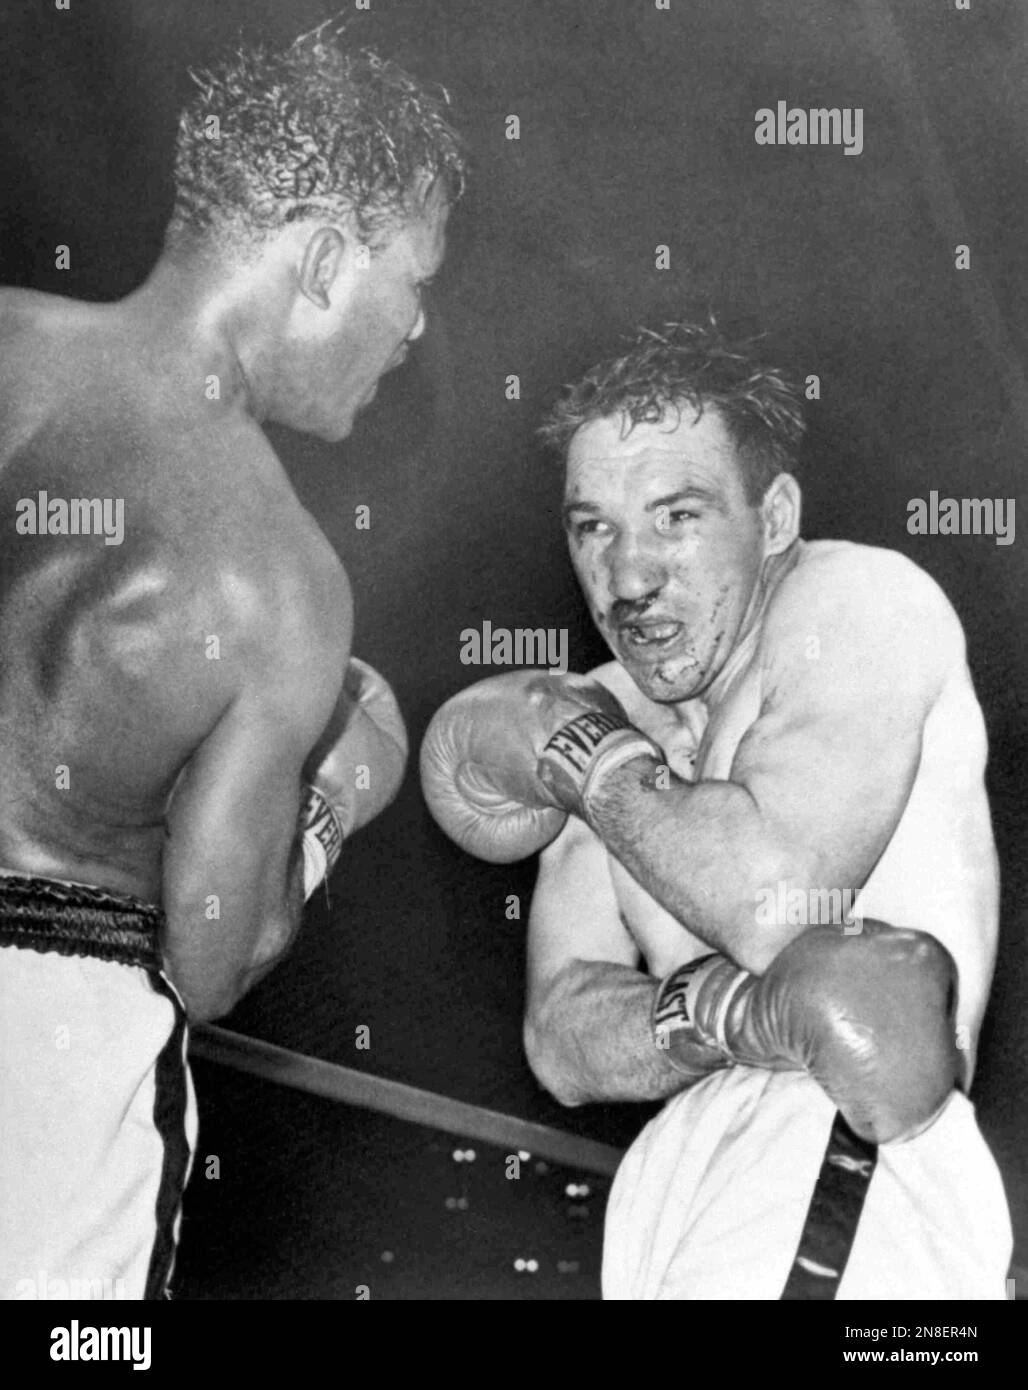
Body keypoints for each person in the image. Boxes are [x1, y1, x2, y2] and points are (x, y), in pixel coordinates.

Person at [0, 31, 465, 1301]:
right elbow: (210, 957)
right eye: (410, 279)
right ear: (322, 259)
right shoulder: (277, 578)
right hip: (49, 1062)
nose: (416, 327)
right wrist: (329, 798)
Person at [420, 322, 1012, 1299]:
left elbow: (770, 900)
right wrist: (727, 1013)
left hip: (842, 1137)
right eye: (592, 527)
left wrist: (589, 760)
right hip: (672, 1175)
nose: (628, 575)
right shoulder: (602, 706)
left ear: (771, 516)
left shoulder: (855, 604)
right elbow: (560, 1037)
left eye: (675, 515)